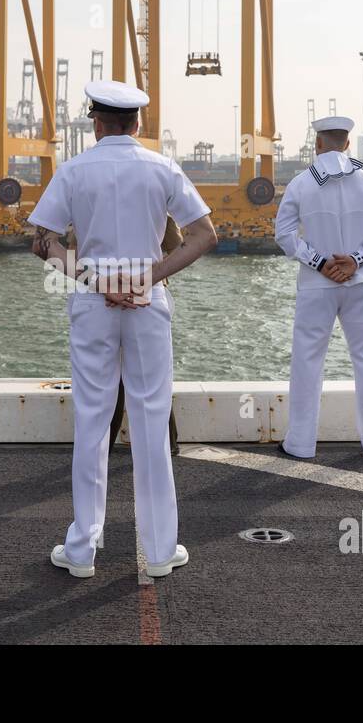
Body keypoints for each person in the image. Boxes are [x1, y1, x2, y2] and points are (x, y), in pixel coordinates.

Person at [29, 80, 217, 579]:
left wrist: (96, 279)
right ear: (137, 123)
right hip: (148, 300)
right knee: (151, 419)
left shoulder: (73, 170)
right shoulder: (163, 167)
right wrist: (147, 277)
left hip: (93, 299)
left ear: (96, 122)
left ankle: (82, 550)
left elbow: (42, 241)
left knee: (92, 420)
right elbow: (204, 235)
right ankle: (160, 550)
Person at [275, 116, 363, 460]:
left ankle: (300, 444)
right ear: (347, 144)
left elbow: (284, 235)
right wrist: (356, 260)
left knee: (307, 361)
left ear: (318, 143)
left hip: (316, 284)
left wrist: (319, 262)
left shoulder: (301, 184)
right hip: (361, 282)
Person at [108, 217, 181, 456]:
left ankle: (104, 446)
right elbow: (180, 247)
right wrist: (152, 274)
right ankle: (167, 444)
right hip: (148, 292)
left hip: (106, 294)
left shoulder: (91, 202)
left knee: (111, 376)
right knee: (153, 377)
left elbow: (73, 250)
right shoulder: (156, 207)